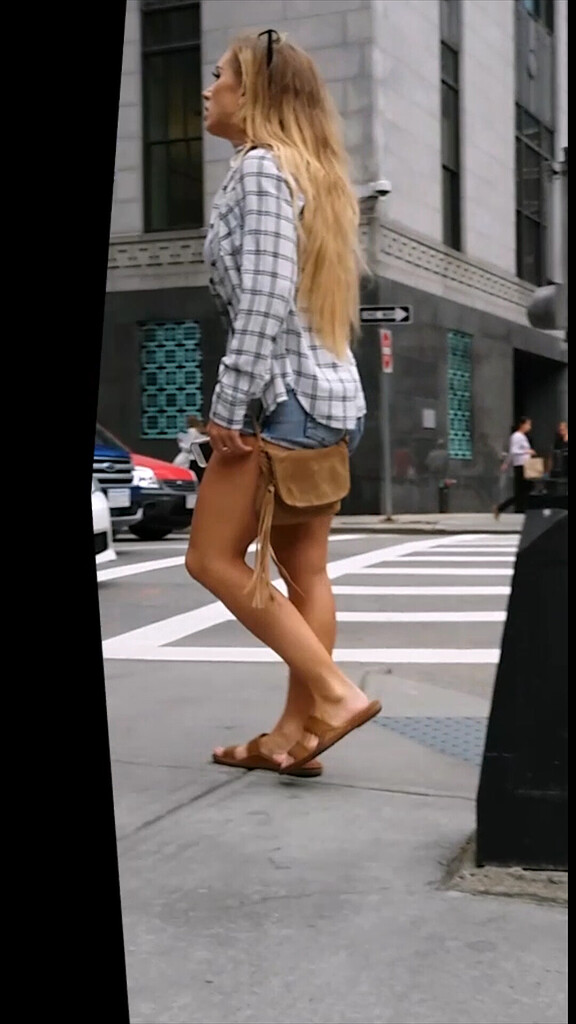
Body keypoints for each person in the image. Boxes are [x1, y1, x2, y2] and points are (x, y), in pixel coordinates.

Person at [185, 29, 380, 777]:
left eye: (220, 76)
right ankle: (291, 740)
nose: (210, 90)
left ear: (253, 92)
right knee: (307, 572)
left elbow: (263, 300)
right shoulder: (316, 175)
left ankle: (333, 695)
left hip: (281, 403)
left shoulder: (261, 172)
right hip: (331, 399)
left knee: (211, 558)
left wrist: (228, 408)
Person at [493, 416, 536, 518]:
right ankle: (502, 508)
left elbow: (511, 453)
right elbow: (513, 451)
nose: (529, 427)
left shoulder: (523, 437)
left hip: (525, 465)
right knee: (523, 490)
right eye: (528, 424)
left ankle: (516, 508)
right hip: (520, 465)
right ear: (522, 425)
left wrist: (506, 463)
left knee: (526, 489)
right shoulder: (516, 436)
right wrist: (527, 451)